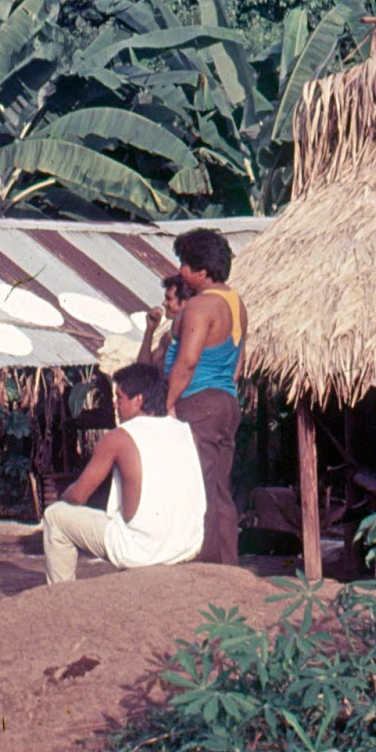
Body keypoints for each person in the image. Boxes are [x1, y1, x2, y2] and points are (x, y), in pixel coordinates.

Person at [40, 363, 205, 584]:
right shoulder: (185, 431)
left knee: (55, 515)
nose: (115, 404)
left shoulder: (119, 437)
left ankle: (61, 598)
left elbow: (79, 495)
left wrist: (64, 496)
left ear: (138, 399)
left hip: (141, 550)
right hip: (187, 545)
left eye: (120, 397)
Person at [165, 227, 249, 567]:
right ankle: (225, 566)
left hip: (199, 400)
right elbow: (238, 363)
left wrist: (168, 402)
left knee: (197, 486)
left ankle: (205, 567)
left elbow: (187, 360)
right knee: (218, 488)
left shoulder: (202, 305)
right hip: (225, 400)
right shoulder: (236, 302)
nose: (181, 272)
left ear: (202, 270)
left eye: (185, 264)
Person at [139, 273, 195, 369]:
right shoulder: (169, 336)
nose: (164, 303)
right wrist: (150, 330)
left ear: (185, 302)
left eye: (169, 299)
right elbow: (142, 369)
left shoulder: (191, 340)